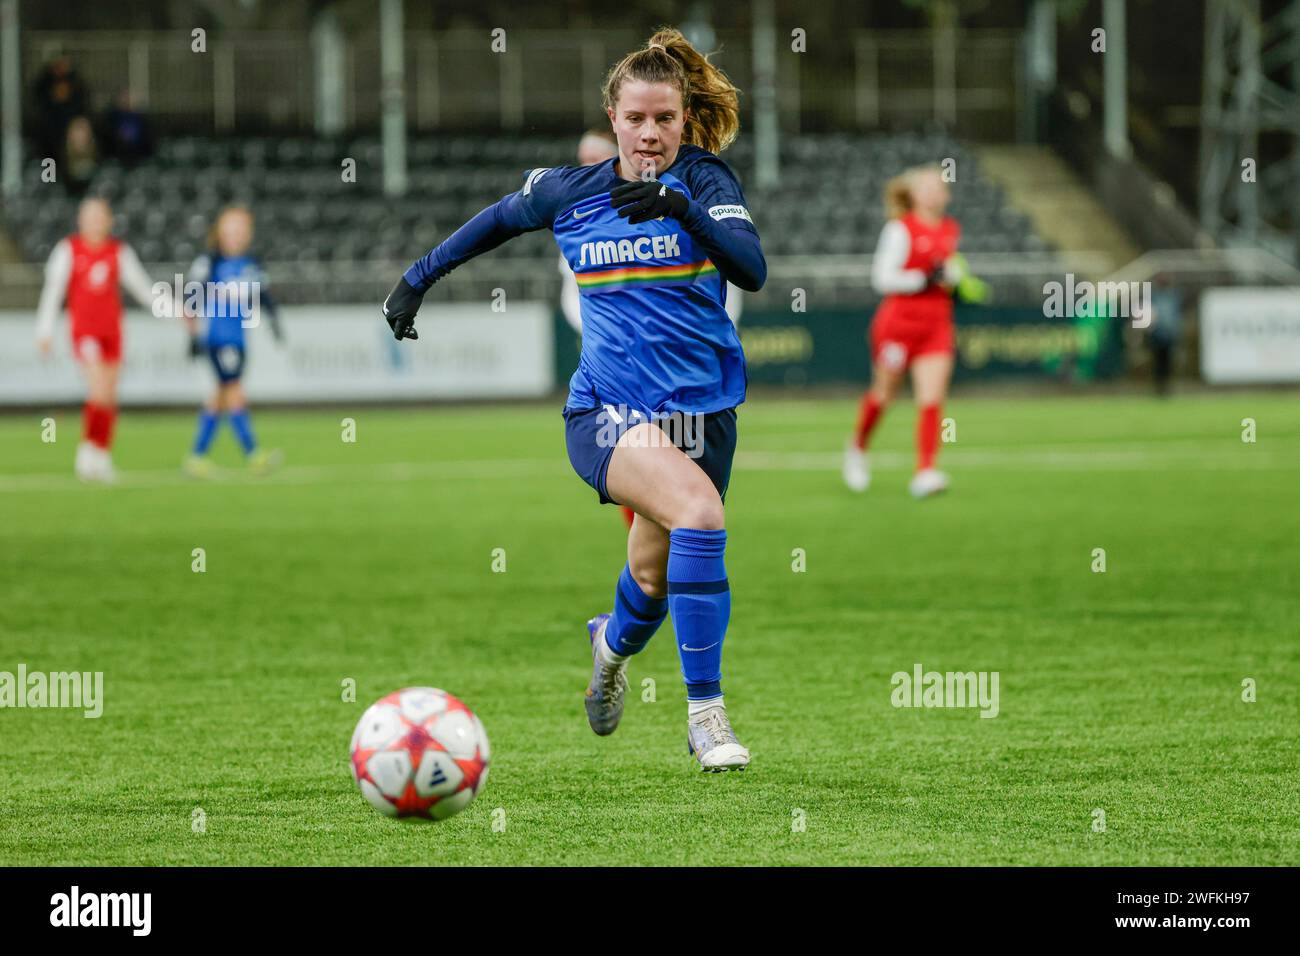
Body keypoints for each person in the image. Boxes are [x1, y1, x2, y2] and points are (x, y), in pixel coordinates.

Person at [381, 28, 766, 771]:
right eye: (635, 118)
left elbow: (750, 269)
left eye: (664, 118)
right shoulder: (570, 191)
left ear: (685, 119)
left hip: (701, 414)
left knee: (652, 579)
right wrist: (416, 279)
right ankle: (707, 717)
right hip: (606, 412)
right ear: (611, 118)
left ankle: (608, 650)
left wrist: (680, 209)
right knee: (700, 514)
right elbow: (495, 220)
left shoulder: (707, 182)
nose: (649, 133)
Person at [843, 164, 963, 499]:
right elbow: (882, 278)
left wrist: (953, 279)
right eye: (927, 187)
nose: (935, 192)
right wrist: (923, 279)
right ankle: (858, 446)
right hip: (898, 326)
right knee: (884, 394)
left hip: (936, 325)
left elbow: (951, 272)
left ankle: (925, 471)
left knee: (931, 398)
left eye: (939, 187)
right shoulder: (899, 229)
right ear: (913, 194)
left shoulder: (950, 229)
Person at [35, 197, 164, 482]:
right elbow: (53, 291)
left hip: (112, 333)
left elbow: (144, 289)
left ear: (109, 221)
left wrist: (177, 312)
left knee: (110, 397)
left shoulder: (119, 252)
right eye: (89, 217)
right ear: (80, 221)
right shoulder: (68, 250)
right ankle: (86, 454)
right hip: (85, 333)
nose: (95, 222)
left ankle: (101, 455)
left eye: (100, 216)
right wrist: (44, 330)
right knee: (99, 391)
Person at [182, 205, 283, 477]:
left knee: (219, 397)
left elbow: (264, 295)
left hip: (238, 339)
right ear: (221, 232)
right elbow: (191, 298)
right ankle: (254, 454)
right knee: (234, 391)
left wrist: (274, 321)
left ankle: (196, 457)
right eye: (232, 229)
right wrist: (192, 335)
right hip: (218, 338)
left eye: (242, 229)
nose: (237, 235)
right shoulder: (210, 262)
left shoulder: (251, 264)